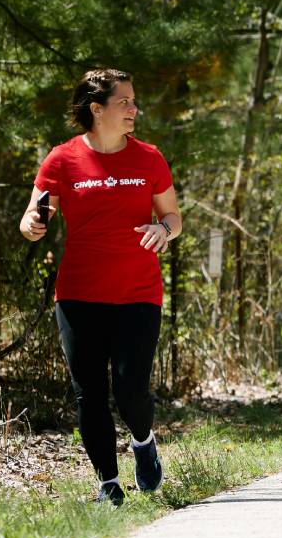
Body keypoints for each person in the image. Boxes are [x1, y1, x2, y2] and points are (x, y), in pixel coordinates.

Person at [22, 68, 182, 506]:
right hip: (78, 295)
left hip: (137, 293)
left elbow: (173, 217)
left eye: (134, 100)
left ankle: (143, 440)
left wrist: (164, 229)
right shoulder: (62, 160)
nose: (134, 109)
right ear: (97, 109)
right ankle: (109, 485)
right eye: (124, 101)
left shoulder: (149, 158)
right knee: (88, 393)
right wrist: (33, 225)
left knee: (131, 391)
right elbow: (32, 215)